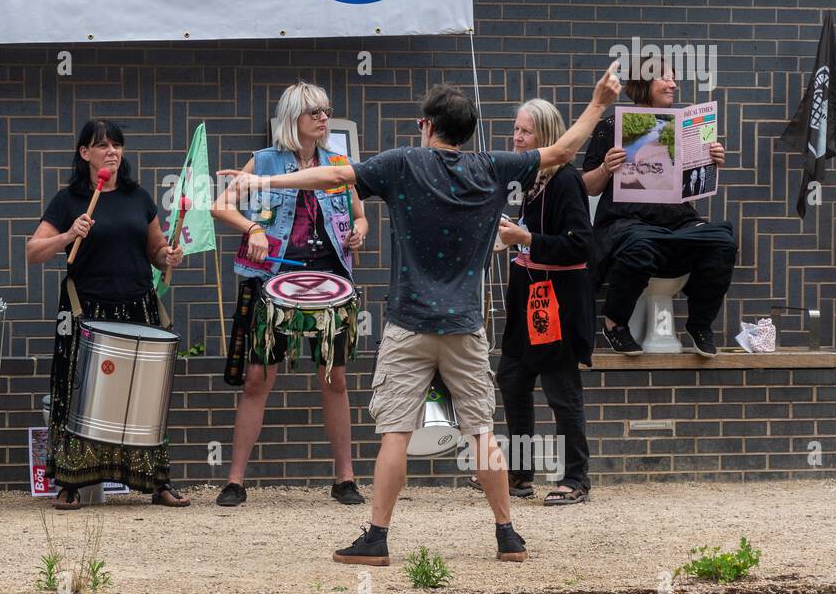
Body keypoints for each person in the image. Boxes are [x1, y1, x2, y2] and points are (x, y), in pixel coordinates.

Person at [221, 64, 621, 564]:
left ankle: (377, 538)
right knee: (480, 431)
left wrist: (264, 178)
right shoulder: (492, 168)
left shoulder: (404, 163)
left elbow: (333, 175)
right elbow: (563, 152)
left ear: (427, 126)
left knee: (396, 433)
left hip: (409, 324)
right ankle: (507, 535)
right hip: (464, 327)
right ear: (470, 131)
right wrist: (600, 101)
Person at [211, 81, 368, 507]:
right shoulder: (263, 161)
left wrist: (359, 232)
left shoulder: (337, 163)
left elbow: (359, 213)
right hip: (273, 279)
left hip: (330, 278)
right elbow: (221, 206)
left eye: (326, 111)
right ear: (292, 118)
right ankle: (236, 480)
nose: (323, 118)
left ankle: (346, 479)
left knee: (334, 375)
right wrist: (254, 228)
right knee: (258, 377)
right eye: (313, 111)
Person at [26, 119, 187, 509]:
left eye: (117, 145)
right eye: (102, 145)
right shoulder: (68, 201)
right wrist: (67, 236)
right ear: (85, 153)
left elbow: (156, 250)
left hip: (137, 305)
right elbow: (34, 251)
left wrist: (168, 255)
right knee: (76, 392)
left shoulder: (139, 197)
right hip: (86, 309)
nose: (112, 152)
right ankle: (69, 482)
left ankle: (156, 481)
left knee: (143, 396)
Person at [481, 99, 594, 505]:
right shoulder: (533, 180)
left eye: (525, 132)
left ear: (545, 136)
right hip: (528, 298)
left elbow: (581, 245)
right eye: (515, 130)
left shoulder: (565, 181)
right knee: (512, 379)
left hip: (557, 303)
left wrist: (525, 239)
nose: (516, 138)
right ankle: (521, 473)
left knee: (562, 389)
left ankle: (576, 477)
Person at [581, 57, 733, 356]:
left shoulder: (683, 128)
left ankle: (700, 324)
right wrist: (605, 168)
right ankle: (614, 323)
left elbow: (694, 187)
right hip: (628, 224)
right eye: (665, 77)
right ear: (643, 83)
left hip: (677, 223)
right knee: (640, 244)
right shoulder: (611, 126)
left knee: (722, 241)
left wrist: (711, 162)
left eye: (674, 78)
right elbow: (587, 186)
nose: (673, 84)